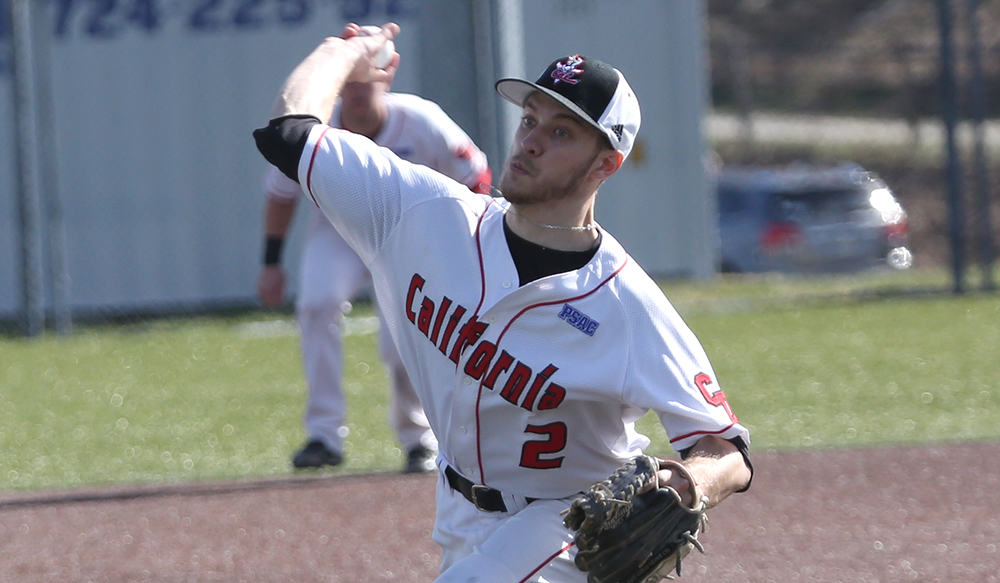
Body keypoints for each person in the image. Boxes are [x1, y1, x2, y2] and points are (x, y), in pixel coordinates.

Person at [254, 23, 752, 582]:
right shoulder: (420, 213)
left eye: (562, 132)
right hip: (457, 506)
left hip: (572, 525)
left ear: (604, 165)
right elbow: (287, 132)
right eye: (531, 119)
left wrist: (690, 484)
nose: (532, 140)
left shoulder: (627, 305)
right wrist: (345, 52)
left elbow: (726, 449)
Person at [256, 28, 493, 473]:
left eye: (368, 80)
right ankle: (324, 435)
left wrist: (469, 248)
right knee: (317, 304)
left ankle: (418, 438)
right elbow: (281, 193)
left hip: (407, 235)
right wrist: (271, 263)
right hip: (338, 231)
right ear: (339, 83)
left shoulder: (422, 119)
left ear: (387, 77)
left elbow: (477, 177)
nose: (359, 91)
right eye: (350, 82)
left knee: (403, 335)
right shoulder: (319, 127)